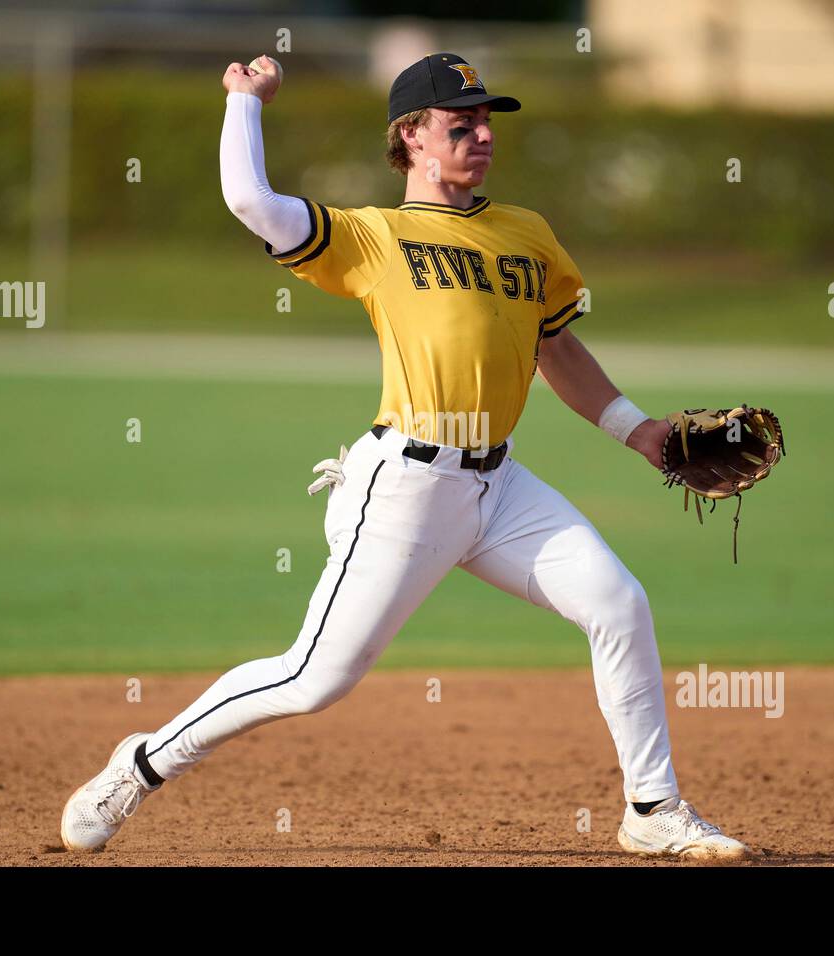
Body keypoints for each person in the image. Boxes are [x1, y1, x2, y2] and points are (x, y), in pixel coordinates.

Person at [60, 52, 749, 862]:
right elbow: (248, 198)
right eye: (463, 123)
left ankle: (652, 807)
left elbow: (554, 349)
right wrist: (244, 101)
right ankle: (140, 764)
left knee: (619, 602)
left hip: (501, 487)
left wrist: (640, 431)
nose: (483, 135)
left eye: (487, 120)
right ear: (412, 137)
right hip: (406, 487)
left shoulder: (527, 233)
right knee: (314, 680)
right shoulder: (375, 237)